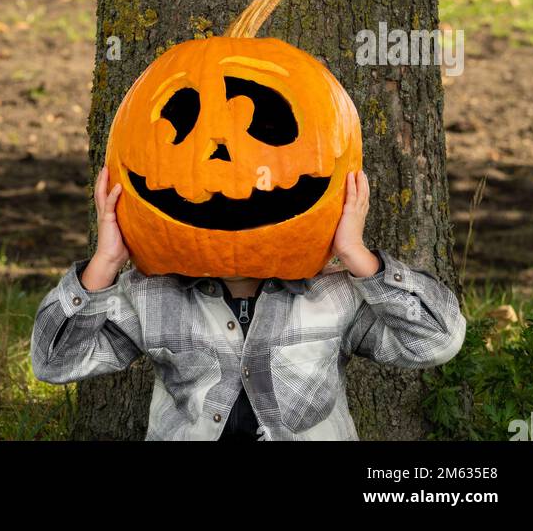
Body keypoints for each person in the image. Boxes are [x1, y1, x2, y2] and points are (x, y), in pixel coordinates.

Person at [31, 167, 466, 441]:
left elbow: (437, 341)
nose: (233, 188)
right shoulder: (152, 293)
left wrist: (359, 258)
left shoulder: (335, 295)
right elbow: (55, 363)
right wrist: (104, 265)